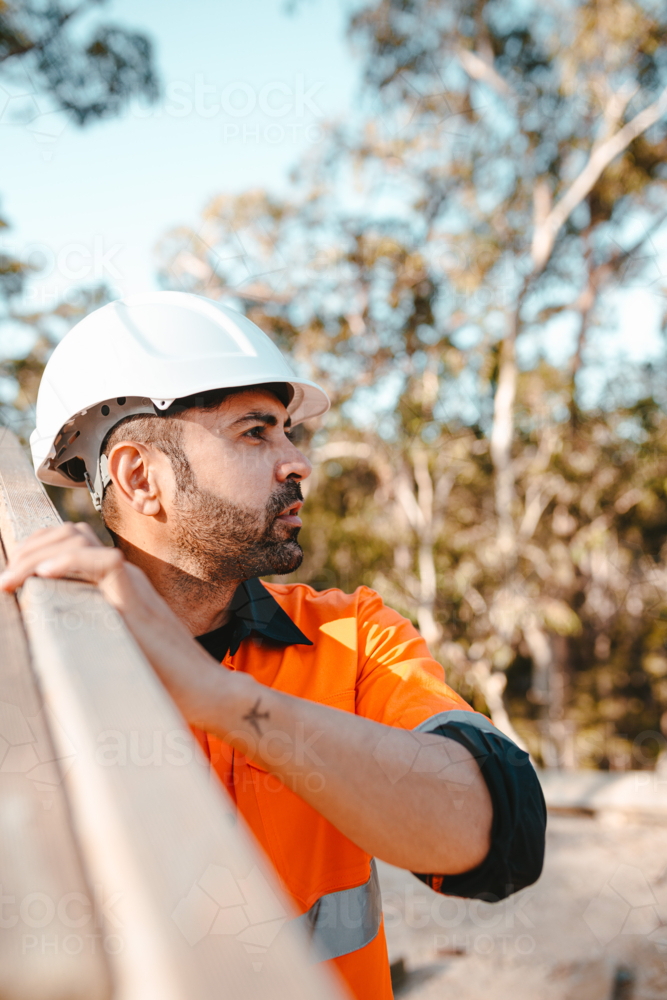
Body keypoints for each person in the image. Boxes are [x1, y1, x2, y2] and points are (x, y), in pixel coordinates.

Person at [0, 291, 546, 999]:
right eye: (256, 433)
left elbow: (500, 835)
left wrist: (227, 703)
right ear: (140, 476)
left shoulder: (351, 633)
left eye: (289, 432)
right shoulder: (33, 670)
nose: (298, 463)